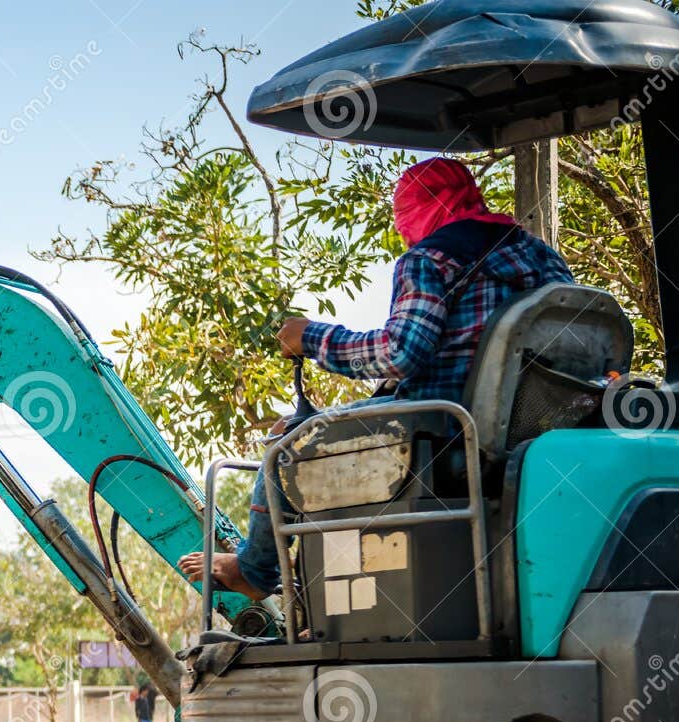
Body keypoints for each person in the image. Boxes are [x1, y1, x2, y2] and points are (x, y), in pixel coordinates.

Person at [178, 157, 575, 601]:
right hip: (527, 441)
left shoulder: (430, 258)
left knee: (285, 442)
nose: (404, 226)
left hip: (438, 435)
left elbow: (400, 353)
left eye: (403, 213)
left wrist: (312, 337)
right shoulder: (541, 258)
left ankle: (255, 570)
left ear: (417, 209)